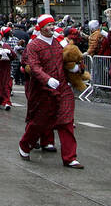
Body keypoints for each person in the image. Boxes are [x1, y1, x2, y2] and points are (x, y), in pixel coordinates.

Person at [18, 14, 83, 168]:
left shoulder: (61, 43)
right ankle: (25, 144)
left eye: (53, 25)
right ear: (40, 27)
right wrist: (46, 79)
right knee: (40, 123)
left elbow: (73, 58)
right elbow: (33, 66)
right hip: (43, 90)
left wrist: (77, 68)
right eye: (48, 25)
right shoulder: (33, 45)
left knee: (66, 121)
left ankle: (70, 157)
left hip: (63, 88)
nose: (51, 28)